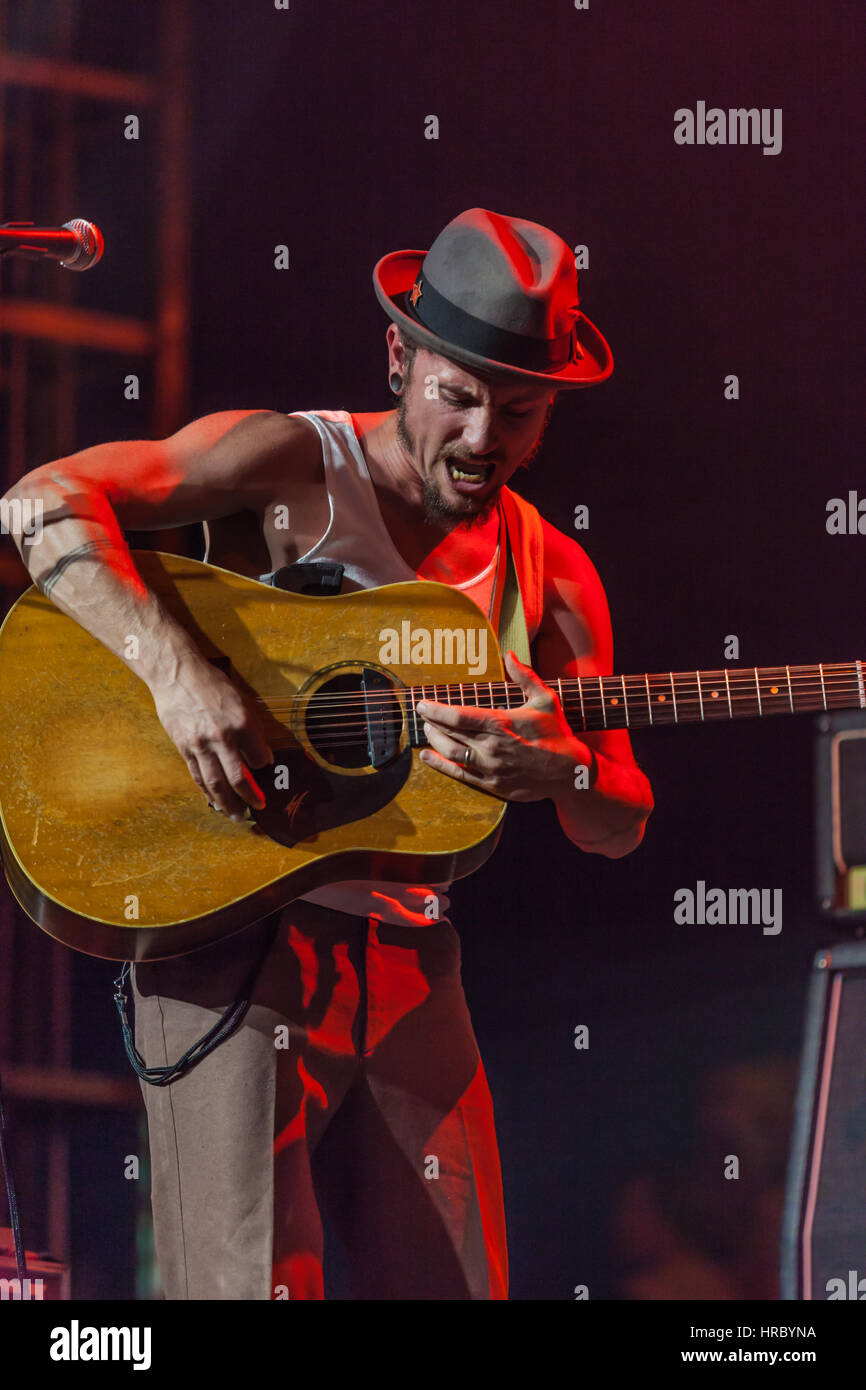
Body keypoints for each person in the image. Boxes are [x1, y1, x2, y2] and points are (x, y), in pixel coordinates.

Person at [1, 207, 653, 1300]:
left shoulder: (552, 568)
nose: (484, 437)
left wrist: (565, 771)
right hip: (231, 941)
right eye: (457, 395)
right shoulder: (296, 461)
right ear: (399, 356)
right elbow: (43, 501)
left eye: (519, 410)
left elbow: (617, 816)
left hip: (408, 967)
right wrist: (177, 671)